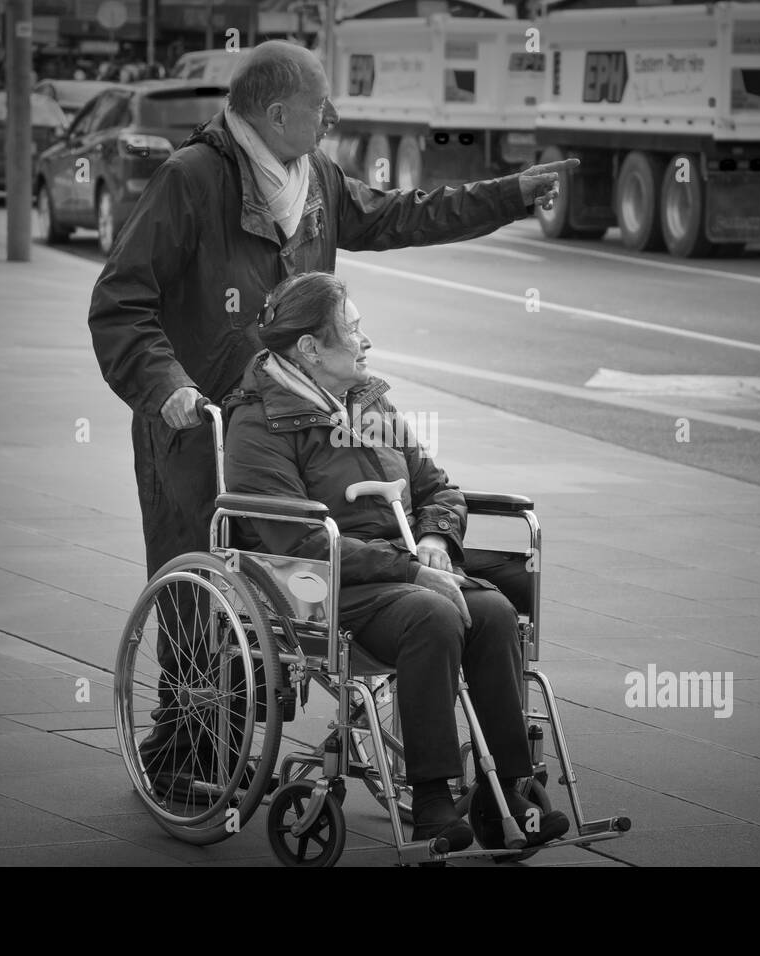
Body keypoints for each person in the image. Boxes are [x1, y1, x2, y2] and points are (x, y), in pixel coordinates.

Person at [87, 39, 575, 796]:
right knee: (198, 595)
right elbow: (121, 303)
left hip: (301, 419)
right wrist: (167, 383)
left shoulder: (312, 178)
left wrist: (510, 196)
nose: (333, 119)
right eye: (322, 107)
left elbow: (404, 214)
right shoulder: (191, 182)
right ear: (279, 113)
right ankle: (185, 747)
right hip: (198, 427)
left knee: (295, 580)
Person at [221, 271, 570, 850]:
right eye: (353, 331)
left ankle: (507, 792)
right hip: (322, 583)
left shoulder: (369, 403)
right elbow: (301, 544)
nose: (366, 342)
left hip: (403, 564)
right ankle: (433, 800)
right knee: (431, 615)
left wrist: (435, 540)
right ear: (310, 349)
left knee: (496, 612)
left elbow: (439, 488)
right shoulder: (258, 424)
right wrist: (411, 570)